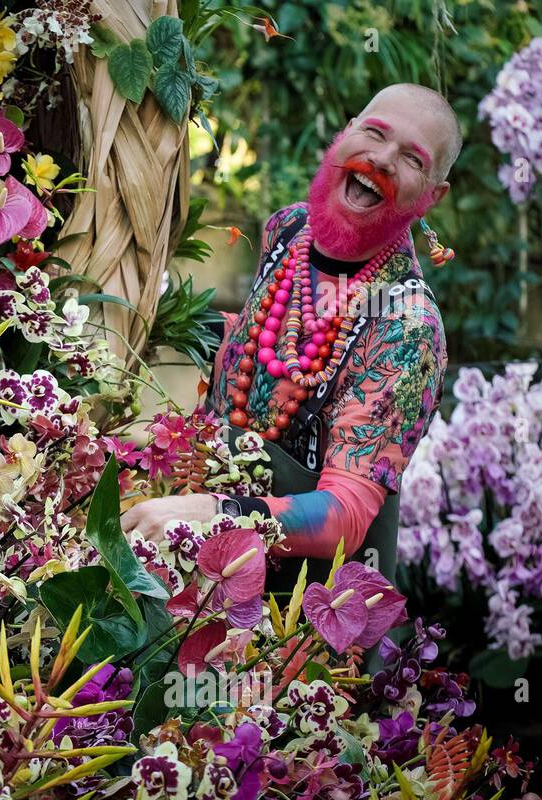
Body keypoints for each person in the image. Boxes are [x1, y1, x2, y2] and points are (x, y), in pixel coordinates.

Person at [122, 84, 460, 577]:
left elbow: (341, 519)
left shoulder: (408, 330)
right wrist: (163, 320)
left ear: (432, 196)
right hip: (190, 553)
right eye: (373, 131)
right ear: (346, 133)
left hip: (293, 612)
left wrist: (214, 512)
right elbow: (272, 343)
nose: (383, 158)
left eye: (412, 158)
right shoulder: (289, 230)